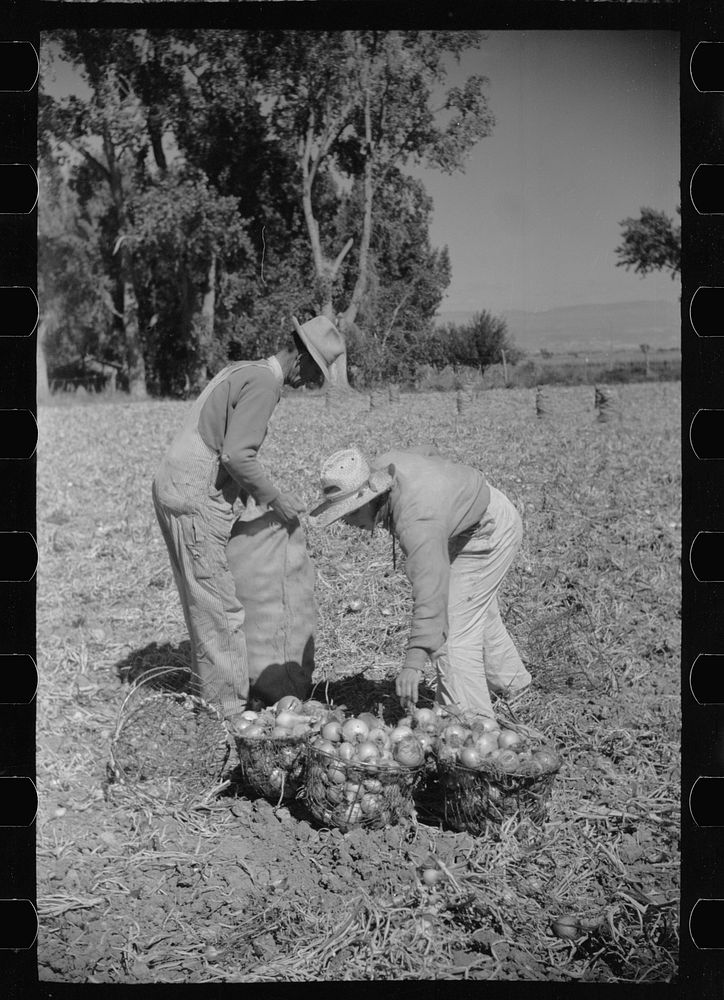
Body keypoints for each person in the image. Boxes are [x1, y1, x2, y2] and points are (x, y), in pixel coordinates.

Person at [152, 316, 345, 720]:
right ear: (301, 358)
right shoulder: (265, 384)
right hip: (193, 495)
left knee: (202, 605)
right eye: (315, 372)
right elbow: (236, 454)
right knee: (221, 609)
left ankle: (212, 697)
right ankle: (228, 718)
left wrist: (250, 497)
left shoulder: (245, 369)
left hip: (174, 485)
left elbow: (226, 443)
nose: (311, 381)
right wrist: (275, 499)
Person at [309, 446, 530, 722]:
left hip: (488, 530)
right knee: (474, 609)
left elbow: (430, 593)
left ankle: (471, 728)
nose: (344, 520)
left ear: (370, 499)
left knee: (453, 637)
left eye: (349, 512)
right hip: (467, 515)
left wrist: (413, 663)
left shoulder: (418, 520)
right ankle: (512, 684)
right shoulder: (383, 475)